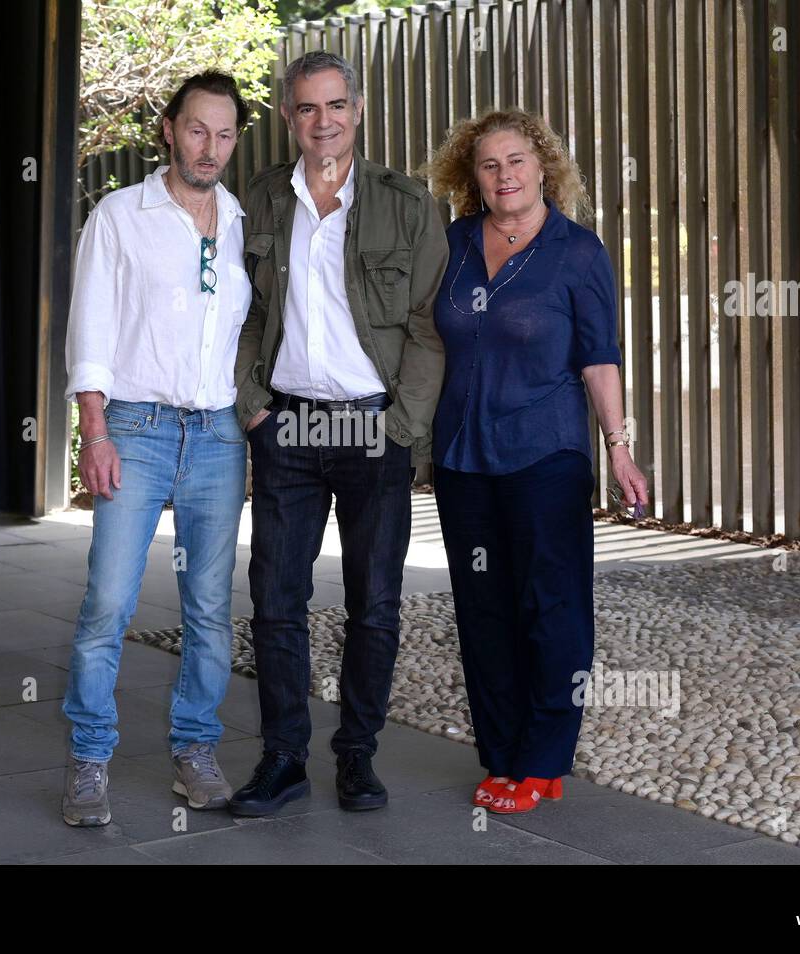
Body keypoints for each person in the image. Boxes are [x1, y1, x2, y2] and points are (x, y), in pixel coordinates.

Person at [229, 50, 449, 816]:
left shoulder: (408, 204)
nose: (322, 122)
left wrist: (400, 427)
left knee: (375, 602)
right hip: (286, 423)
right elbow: (250, 313)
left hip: (371, 426)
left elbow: (428, 329)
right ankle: (283, 759)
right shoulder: (259, 199)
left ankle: (357, 757)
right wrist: (252, 402)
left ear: (358, 110)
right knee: (275, 601)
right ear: (290, 117)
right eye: (306, 108)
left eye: (335, 106)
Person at [425, 108, 648, 813]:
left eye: (516, 160)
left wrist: (621, 449)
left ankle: (546, 759)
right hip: (464, 459)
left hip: (544, 456)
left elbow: (600, 359)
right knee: (483, 612)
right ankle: (503, 755)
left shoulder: (577, 252)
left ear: (543, 165)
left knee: (550, 609)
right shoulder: (454, 244)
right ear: (472, 177)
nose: (504, 175)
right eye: (489, 165)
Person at [59, 71, 253, 826]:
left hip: (216, 436)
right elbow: (92, 329)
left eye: (225, 133)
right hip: (133, 431)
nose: (210, 147)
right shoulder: (120, 215)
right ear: (170, 130)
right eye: (197, 129)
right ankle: (88, 760)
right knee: (108, 601)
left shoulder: (241, 221)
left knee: (209, 610)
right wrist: (94, 430)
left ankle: (195, 752)